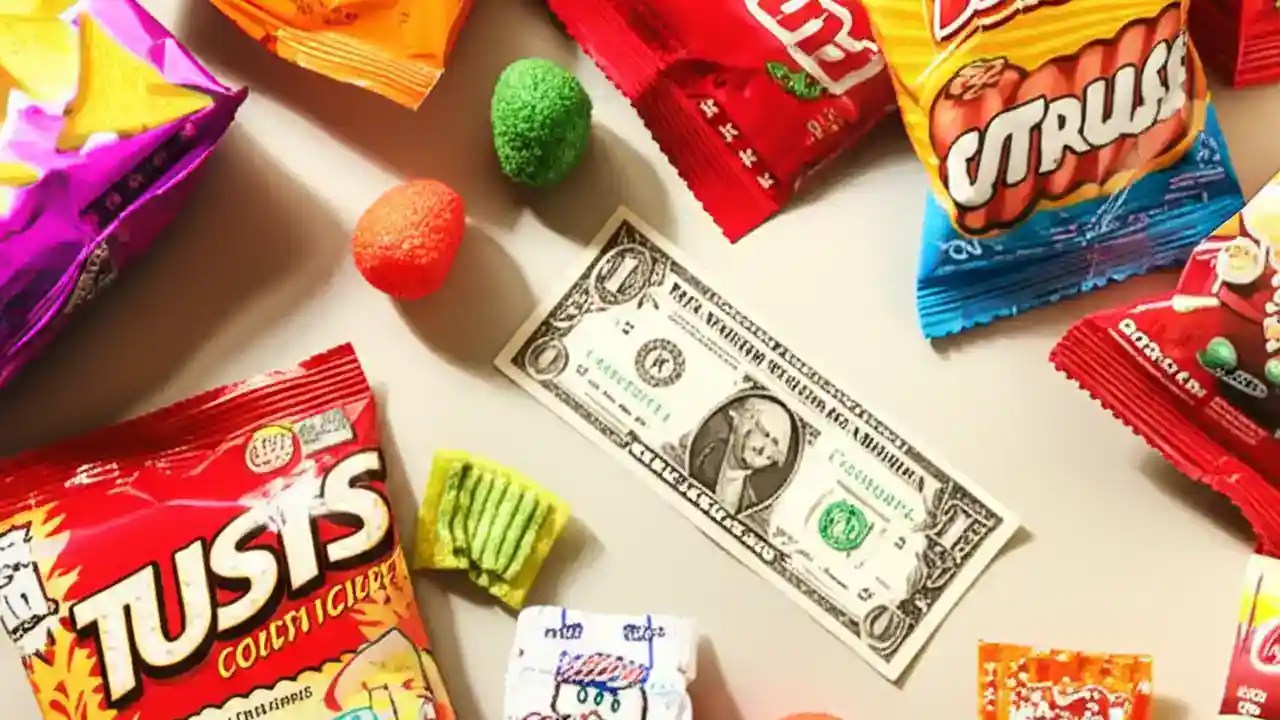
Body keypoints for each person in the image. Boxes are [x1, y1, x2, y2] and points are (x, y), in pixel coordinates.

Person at [688, 396, 796, 515]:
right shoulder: (701, 451)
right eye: (764, 434)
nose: (764, 450)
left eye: (774, 452)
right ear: (745, 422)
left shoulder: (751, 503)